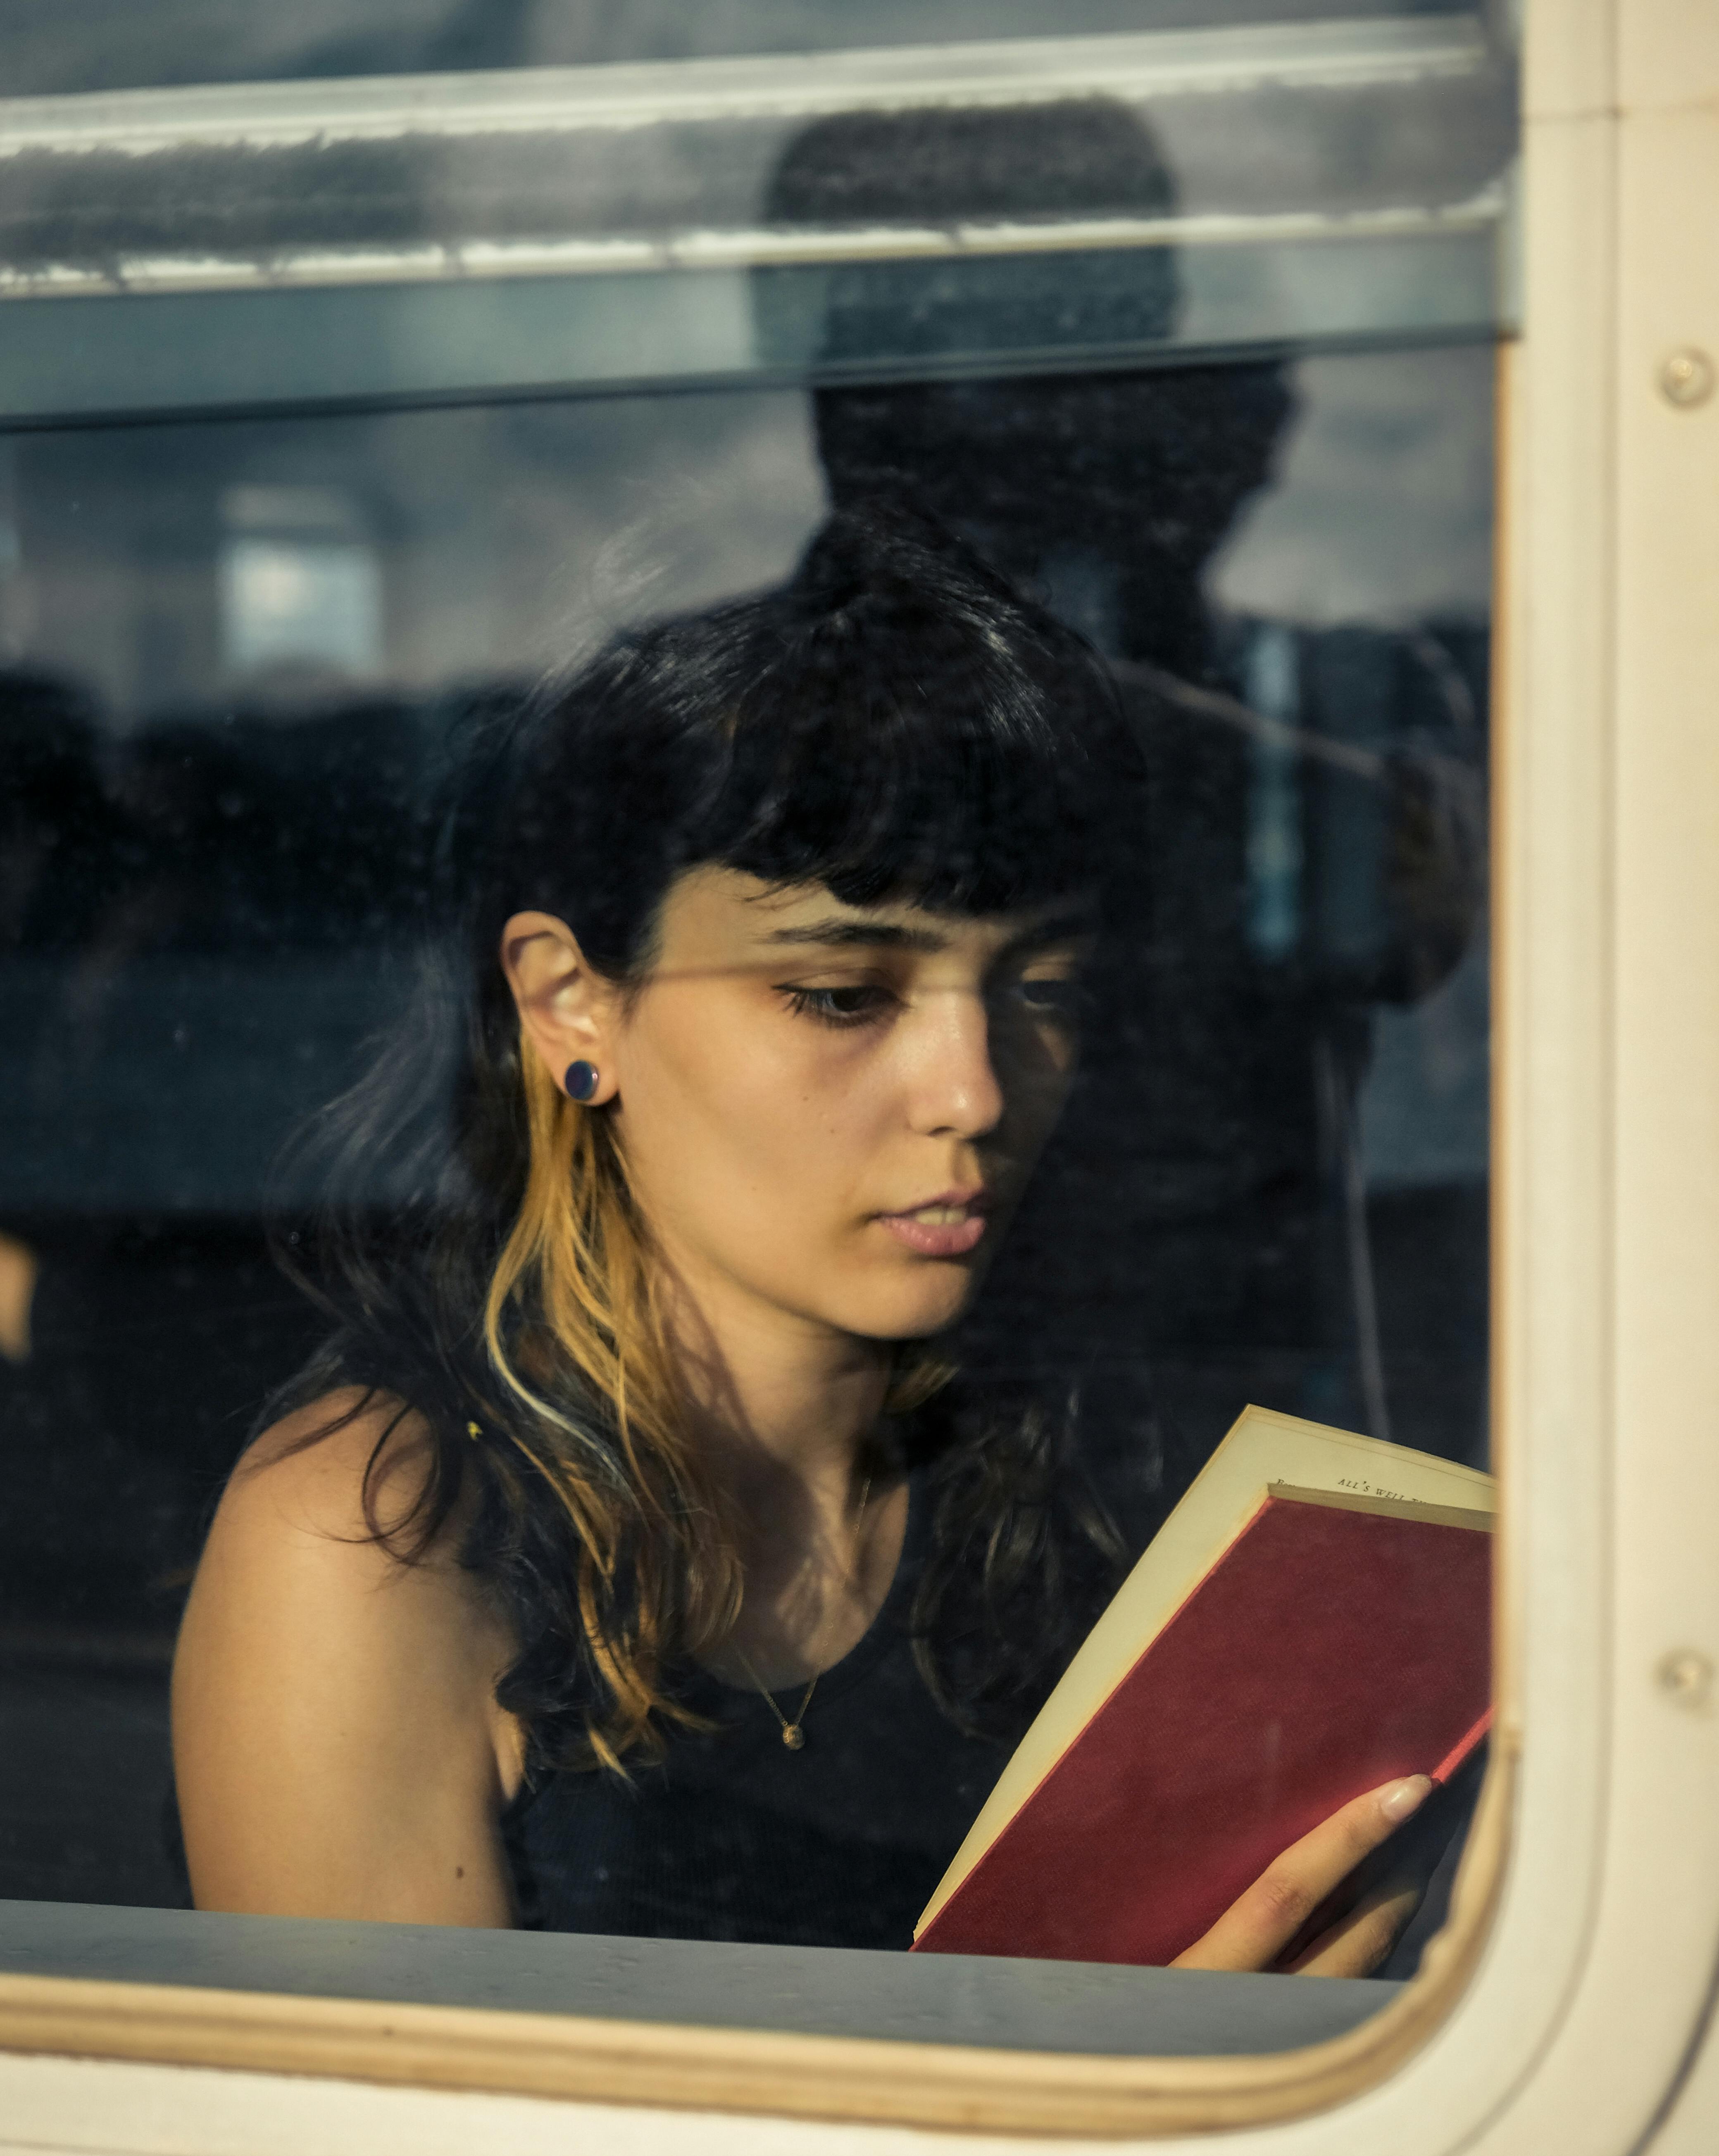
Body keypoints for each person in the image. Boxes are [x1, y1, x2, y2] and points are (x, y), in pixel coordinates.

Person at [172, 502, 1436, 1970]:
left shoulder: (1084, 1467)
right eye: (843, 996)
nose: (973, 1094)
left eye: (1044, 990)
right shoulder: (384, 1537)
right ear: (572, 1007)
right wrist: (1118, 2101)